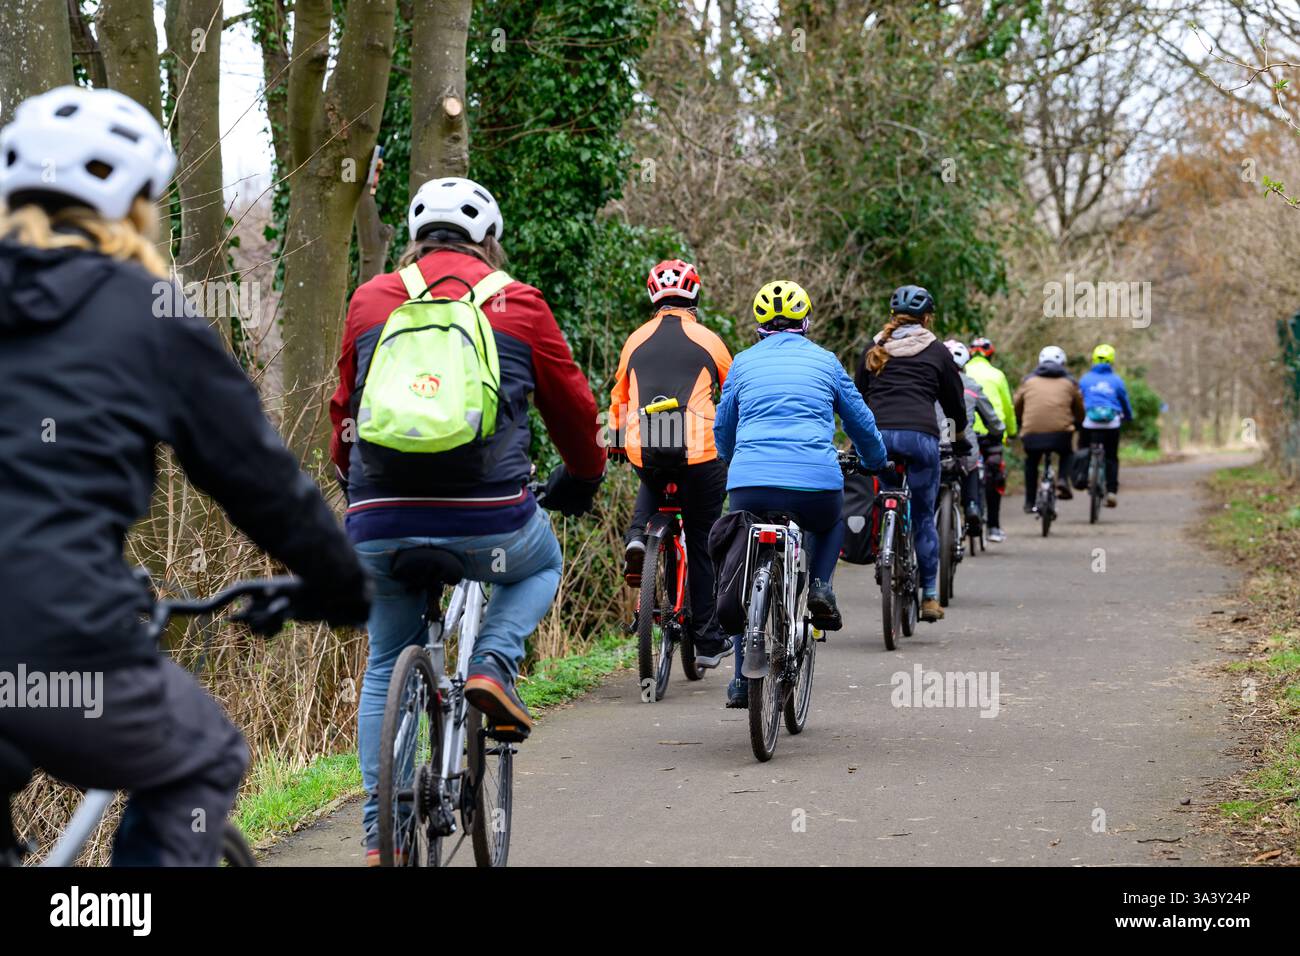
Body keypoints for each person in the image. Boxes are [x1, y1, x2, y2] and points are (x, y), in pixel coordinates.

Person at [0, 87, 371, 866]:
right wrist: (341, 585)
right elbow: (260, 481)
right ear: (133, 206)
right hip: (48, 635)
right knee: (200, 752)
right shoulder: (144, 312)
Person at [329, 176, 605, 864]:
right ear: (489, 239)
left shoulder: (370, 301)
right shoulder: (519, 303)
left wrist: (352, 483)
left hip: (379, 520)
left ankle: (377, 838)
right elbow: (574, 413)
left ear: (418, 236)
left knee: (385, 659)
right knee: (541, 564)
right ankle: (492, 663)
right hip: (491, 523)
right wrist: (585, 476)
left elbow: (343, 413)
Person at [715, 279, 887, 707]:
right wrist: (875, 459)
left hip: (749, 484)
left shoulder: (742, 363)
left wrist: (730, 457)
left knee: (742, 567)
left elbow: (724, 425)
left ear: (758, 326)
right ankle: (821, 588)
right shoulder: (826, 362)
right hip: (814, 483)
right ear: (806, 321)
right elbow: (860, 422)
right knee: (828, 522)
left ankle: (740, 680)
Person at [608, 259, 733, 669]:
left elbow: (620, 398)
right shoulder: (708, 340)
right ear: (694, 296)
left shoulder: (635, 340)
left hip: (646, 444)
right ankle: (710, 642)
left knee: (653, 474)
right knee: (701, 540)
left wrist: (614, 440)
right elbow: (733, 392)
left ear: (652, 297)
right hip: (699, 451)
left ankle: (638, 537)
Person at [855, 285, 966, 623]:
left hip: (878, 437)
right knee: (921, 517)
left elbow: (857, 398)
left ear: (893, 317)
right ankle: (930, 595)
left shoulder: (873, 348)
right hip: (921, 438)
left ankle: (883, 541)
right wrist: (959, 437)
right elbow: (954, 404)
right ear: (927, 318)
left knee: (886, 489)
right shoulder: (936, 351)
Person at [938, 341, 1004, 525]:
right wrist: (998, 431)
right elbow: (991, 419)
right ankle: (972, 506)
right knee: (972, 466)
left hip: (934, 445)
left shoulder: (930, 382)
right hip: (963, 445)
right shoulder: (972, 386)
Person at [1013, 345, 1084, 512]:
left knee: (1031, 462)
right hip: (1060, 435)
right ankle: (1062, 480)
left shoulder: (1028, 381)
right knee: (1067, 454)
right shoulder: (1070, 382)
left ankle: (1029, 502)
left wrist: (1020, 421)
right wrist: (1079, 422)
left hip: (1032, 434)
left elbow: (1016, 405)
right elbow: (1079, 408)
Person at [964, 336, 1017, 542]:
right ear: (991, 355)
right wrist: (1010, 431)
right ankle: (994, 527)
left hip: (964, 433)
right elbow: (1007, 407)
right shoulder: (997, 375)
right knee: (995, 478)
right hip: (990, 433)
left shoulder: (963, 374)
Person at [1078, 343, 1133, 507]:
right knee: (1111, 458)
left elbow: (1078, 400)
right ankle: (1111, 491)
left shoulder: (1085, 379)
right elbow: (1124, 401)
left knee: (1083, 450)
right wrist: (1128, 417)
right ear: (1112, 361)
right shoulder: (1116, 380)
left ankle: (1084, 476)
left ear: (1093, 359)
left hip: (1089, 424)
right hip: (1111, 425)